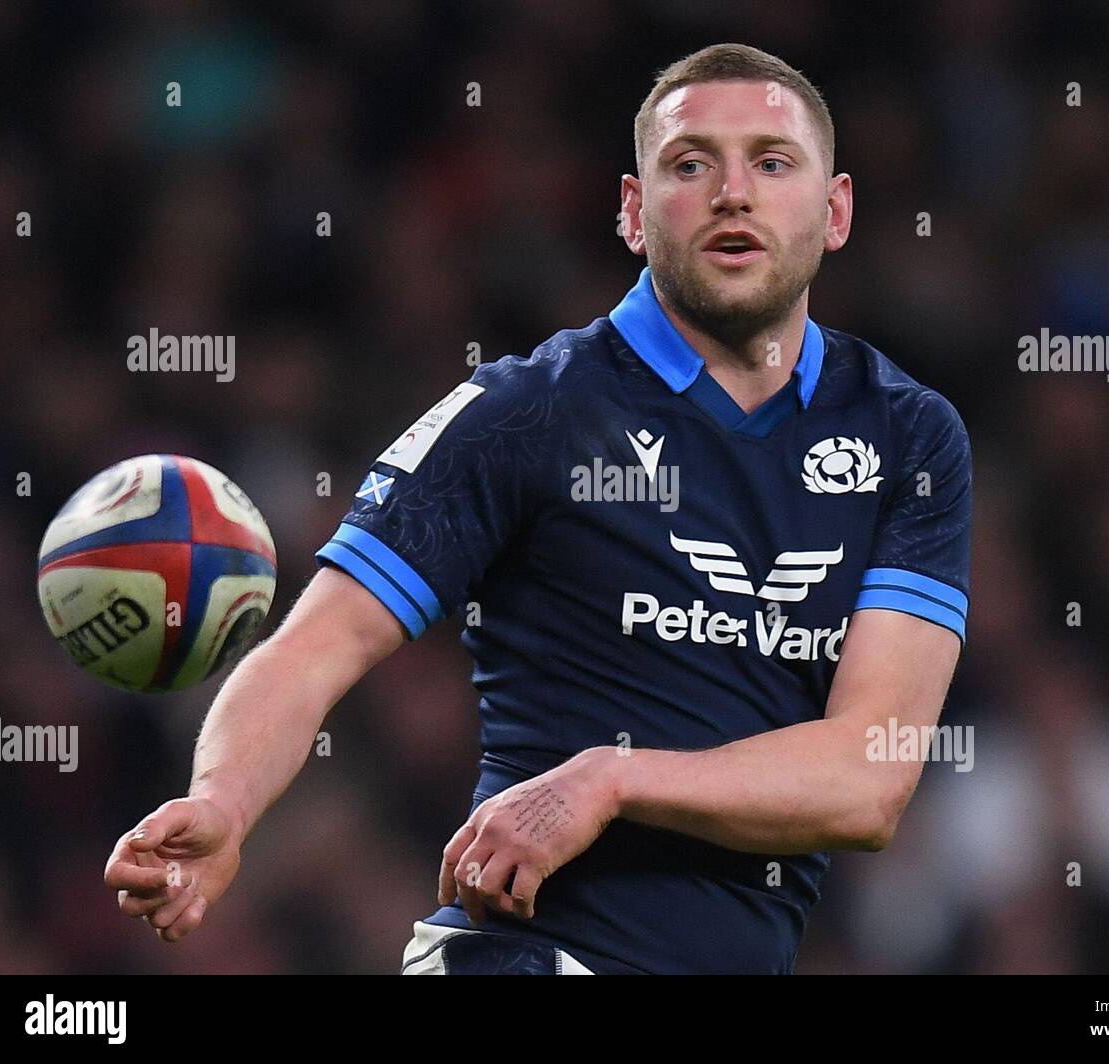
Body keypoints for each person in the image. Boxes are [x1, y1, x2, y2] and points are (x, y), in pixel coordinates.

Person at [104, 42, 971, 975]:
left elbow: (867, 782)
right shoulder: (525, 414)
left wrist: (614, 777)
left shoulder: (909, 437)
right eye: (690, 164)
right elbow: (313, 649)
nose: (733, 193)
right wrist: (225, 803)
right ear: (634, 214)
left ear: (833, 210)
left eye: (771, 161)